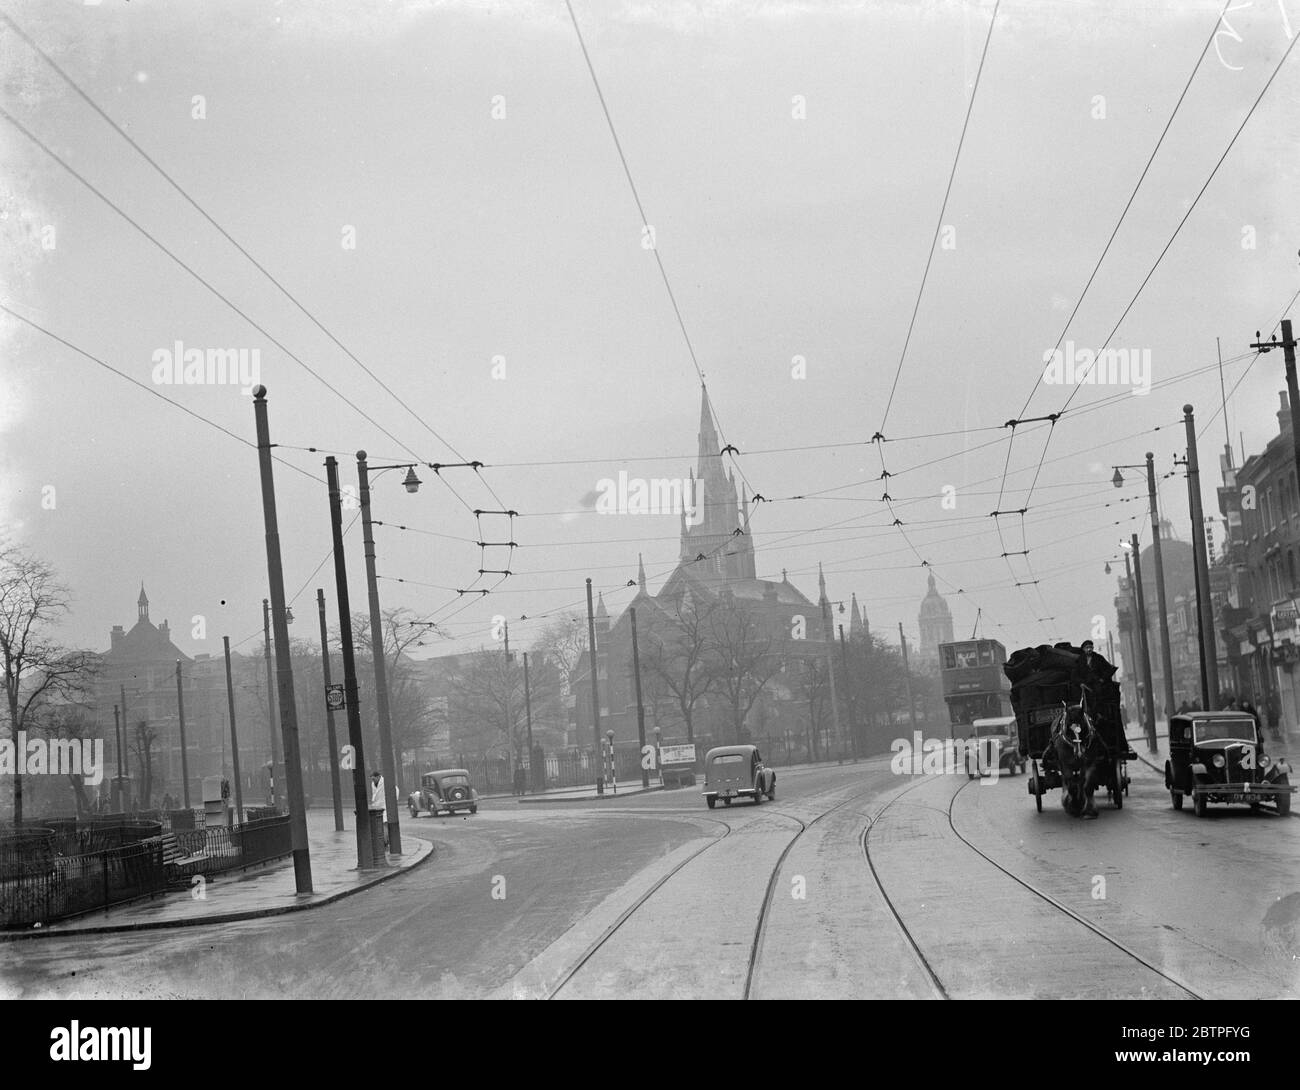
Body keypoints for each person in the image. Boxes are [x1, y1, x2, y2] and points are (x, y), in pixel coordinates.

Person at [370, 770, 389, 850]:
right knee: (379, 825)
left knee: (384, 824)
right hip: (377, 806)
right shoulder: (373, 784)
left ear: (378, 777)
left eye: (374, 779)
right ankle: (383, 841)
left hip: (384, 805)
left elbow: (395, 790)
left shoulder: (385, 782)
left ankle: (385, 842)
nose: (372, 781)